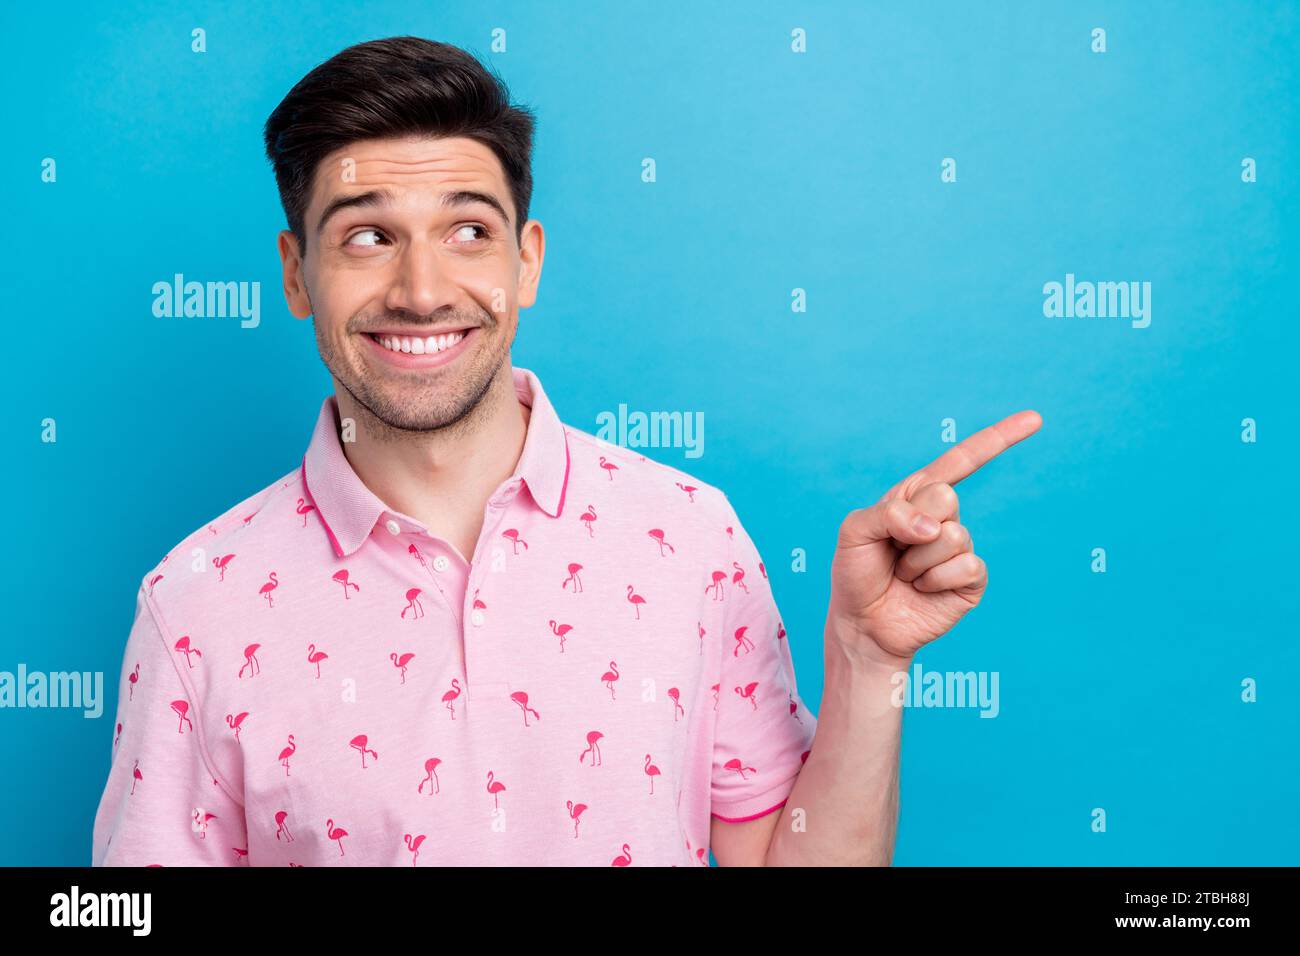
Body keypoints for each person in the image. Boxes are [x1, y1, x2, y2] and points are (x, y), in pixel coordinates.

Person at [92, 36, 1039, 867]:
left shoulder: (692, 540)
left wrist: (867, 664)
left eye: (468, 230)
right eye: (369, 236)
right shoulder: (196, 608)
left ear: (527, 260)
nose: (423, 290)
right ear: (298, 274)